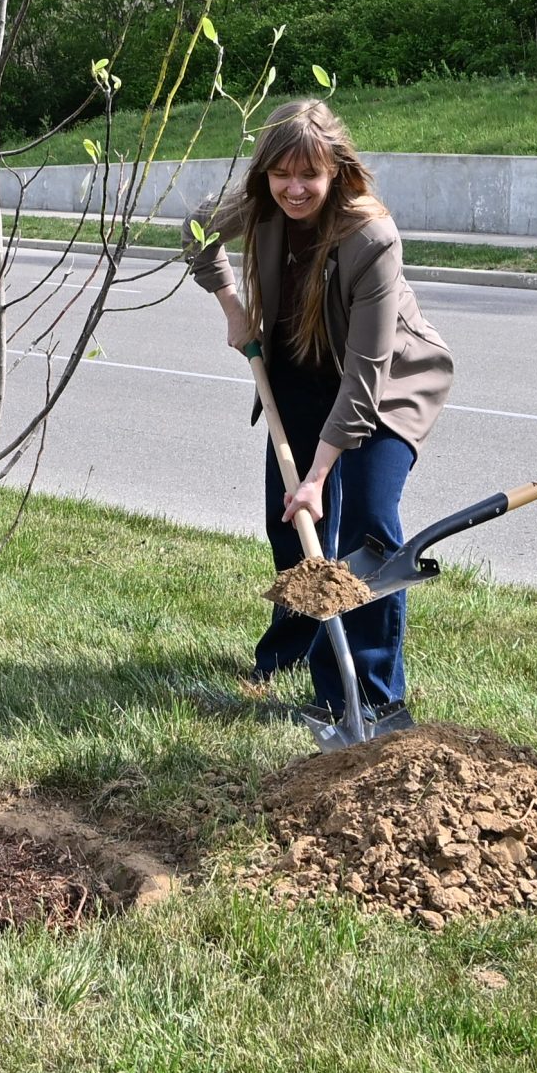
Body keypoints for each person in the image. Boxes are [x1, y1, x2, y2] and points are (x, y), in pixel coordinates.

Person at [190, 98, 455, 723]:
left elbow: (366, 377)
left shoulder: (371, 236)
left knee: (367, 522)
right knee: (291, 525)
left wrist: (317, 476)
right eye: (282, 174)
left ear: (336, 171)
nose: (294, 188)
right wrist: (233, 307)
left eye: (309, 174)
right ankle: (291, 648)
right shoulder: (259, 200)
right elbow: (197, 231)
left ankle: (369, 692)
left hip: (387, 384)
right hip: (297, 371)